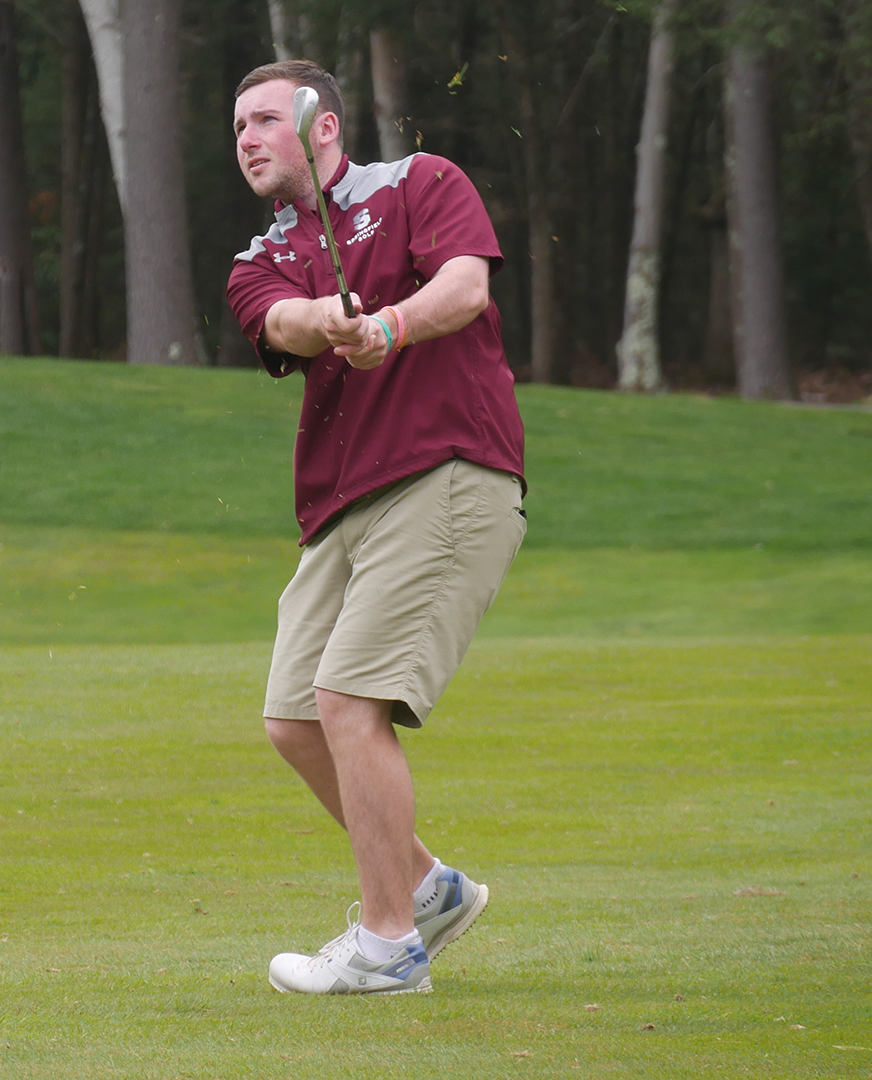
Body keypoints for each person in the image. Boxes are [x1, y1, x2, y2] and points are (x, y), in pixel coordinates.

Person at [226, 59, 528, 995]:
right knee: (293, 718)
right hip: (341, 505)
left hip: (446, 471)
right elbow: (280, 322)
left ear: (323, 125)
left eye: (265, 120)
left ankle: (390, 945)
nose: (247, 140)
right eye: (238, 128)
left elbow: (465, 288)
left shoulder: (420, 182)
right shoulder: (258, 258)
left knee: (349, 702)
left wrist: (390, 326)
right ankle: (430, 890)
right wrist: (329, 318)